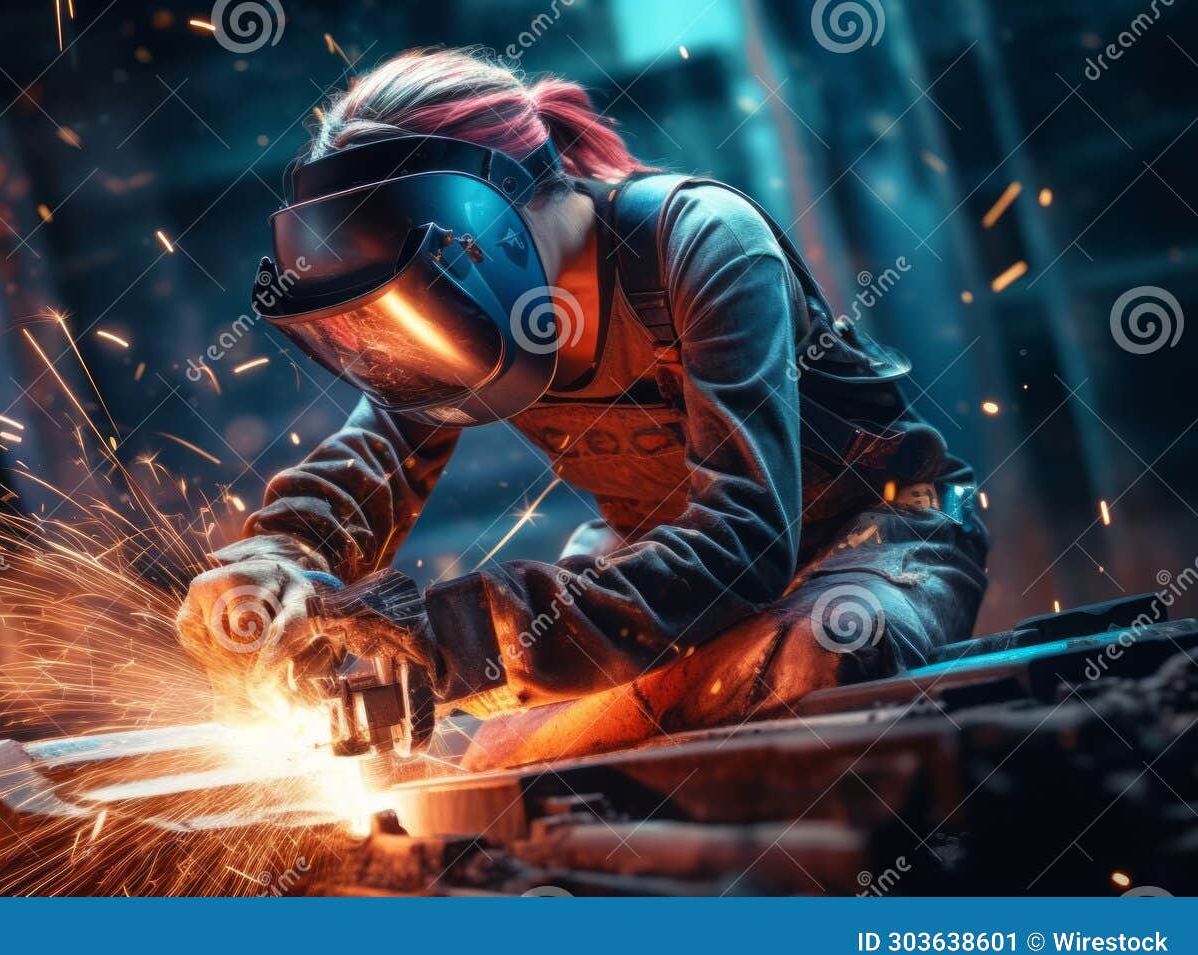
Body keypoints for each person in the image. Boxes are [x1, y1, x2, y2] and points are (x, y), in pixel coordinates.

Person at [175, 48, 988, 745]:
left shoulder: (700, 242)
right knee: (505, 748)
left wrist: (456, 636)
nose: (412, 337)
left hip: (874, 533)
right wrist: (277, 560)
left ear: (481, 223)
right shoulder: (453, 321)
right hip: (658, 571)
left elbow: (744, 539)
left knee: (824, 650)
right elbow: (371, 458)